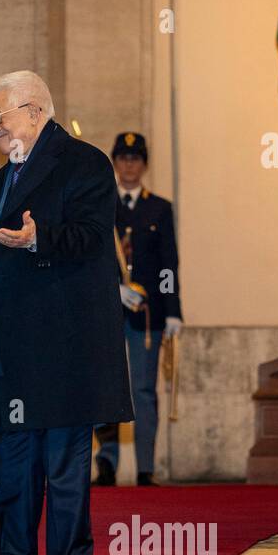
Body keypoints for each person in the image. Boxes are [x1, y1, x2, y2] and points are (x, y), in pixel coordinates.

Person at [0, 71, 132, 555]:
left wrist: (40, 240)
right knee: (12, 465)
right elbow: (0, 244)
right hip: (12, 346)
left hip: (64, 346)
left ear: (35, 111)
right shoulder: (2, 177)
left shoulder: (86, 163)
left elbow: (92, 239)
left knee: (63, 464)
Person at [94, 131, 182, 487]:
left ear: (144, 164)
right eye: (124, 157)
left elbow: (167, 265)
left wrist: (173, 309)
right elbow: (92, 258)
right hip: (106, 309)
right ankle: (107, 464)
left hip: (147, 315)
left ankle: (146, 467)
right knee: (104, 387)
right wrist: (112, 289)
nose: (130, 164)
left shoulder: (159, 208)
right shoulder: (100, 204)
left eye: (136, 158)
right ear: (115, 163)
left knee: (144, 389)